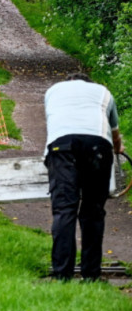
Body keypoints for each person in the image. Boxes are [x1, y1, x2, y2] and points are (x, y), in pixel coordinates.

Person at [43, 73, 123, 281]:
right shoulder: (103, 93)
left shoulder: (53, 91)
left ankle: (62, 274)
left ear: (69, 82)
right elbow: (115, 135)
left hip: (62, 146)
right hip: (98, 146)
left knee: (64, 209)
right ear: (90, 83)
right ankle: (91, 275)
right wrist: (118, 147)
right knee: (93, 212)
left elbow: (55, 122)